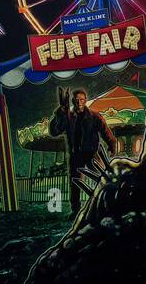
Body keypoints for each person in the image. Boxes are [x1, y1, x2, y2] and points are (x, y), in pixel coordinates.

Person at [48, 88, 116, 218]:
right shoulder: (68, 117)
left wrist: (111, 145)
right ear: (73, 101)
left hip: (91, 154)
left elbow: (105, 131)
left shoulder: (94, 116)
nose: (79, 102)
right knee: (75, 183)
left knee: (101, 179)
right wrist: (61, 111)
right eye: (77, 100)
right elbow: (54, 131)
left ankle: (108, 204)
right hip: (76, 155)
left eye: (82, 99)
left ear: (85, 100)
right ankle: (76, 210)